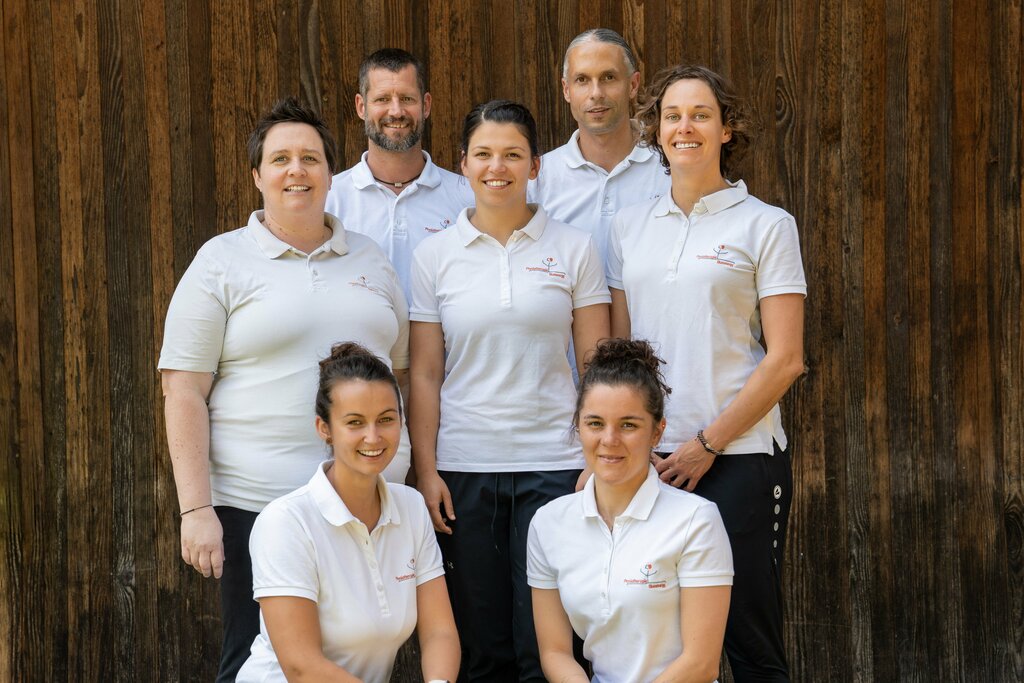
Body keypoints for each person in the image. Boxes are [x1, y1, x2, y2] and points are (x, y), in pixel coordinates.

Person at [158, 97, 410, 682]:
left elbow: (398, 376)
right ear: (257, 175)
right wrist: (196, 509)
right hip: (258, 505)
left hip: (365, 506)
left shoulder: (370, 259)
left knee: (353, 657)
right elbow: (183, 390)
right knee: (259, 665)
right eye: (280, 159)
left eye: (310, 158)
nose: (297, 170)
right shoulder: (220, 261)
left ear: (330, 173)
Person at [608, 64, 807, 681]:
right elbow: (621, 355)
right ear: (655, 130)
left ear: (726, 129)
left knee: (750, 643)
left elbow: (786, 358)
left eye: (700, 115)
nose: (684, 127)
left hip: (739, 459)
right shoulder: (628, 226)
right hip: (650, 463)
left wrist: (706, 444)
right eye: (672, 116)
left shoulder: (766, 224)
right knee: (660, 645)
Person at [408, 100, 610, 682]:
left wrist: (594, 461)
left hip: (556, 467)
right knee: (482, 649)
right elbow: (425, 373)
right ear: (463, 164)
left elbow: (596, 366)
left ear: (535, 165)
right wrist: (427, 470)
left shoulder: (573, 248)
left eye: (513, 154)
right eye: (484, 154)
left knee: (547, 647)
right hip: (465, 470)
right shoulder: (434, 256)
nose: (497, 167)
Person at [236, 343, 459, 683]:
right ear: (324, 428)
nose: (373, 436)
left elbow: (439, 632)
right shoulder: (285, 522)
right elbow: (301, 666)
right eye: (355, 422)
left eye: (386, 419)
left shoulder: (412, 507)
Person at [529, 338, 733, 683]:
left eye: (628, 425)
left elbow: (701, 664)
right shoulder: (548, 523)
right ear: (578, 425)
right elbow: (555, 653)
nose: (609, 440)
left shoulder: (696, 520)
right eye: (595, 423)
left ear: (657, 432)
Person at [325, 48, 474, 299]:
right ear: (361, 107)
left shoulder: (467, 197)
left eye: (406, 98)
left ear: (426, 105)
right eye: (382, 99)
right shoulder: (329, 199)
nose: (396, 111)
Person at [529, 28, 670, 262]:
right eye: (582, 80)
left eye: (608, 77)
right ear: (566, 90)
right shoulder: (538, 178)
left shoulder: (670, 165)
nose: (596, 93)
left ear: (633, 85)